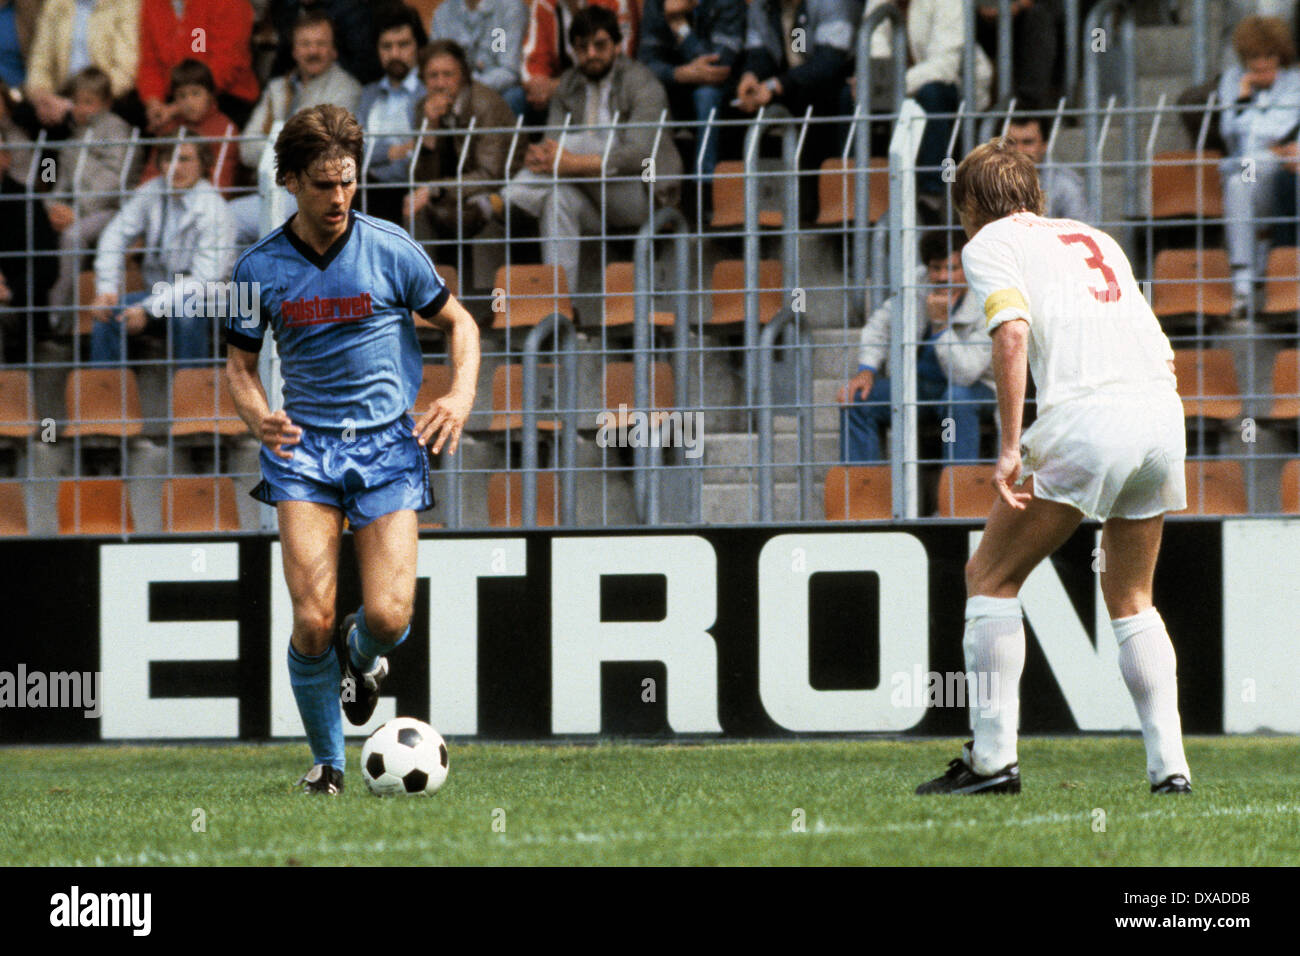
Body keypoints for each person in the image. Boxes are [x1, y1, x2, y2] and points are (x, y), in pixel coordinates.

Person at [915, 138, 1192, 796]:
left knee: (988, 575)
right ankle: (1170, 769)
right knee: (1131, 598)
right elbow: (1158, 342)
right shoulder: (1093, 238)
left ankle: (992, 761)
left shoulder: (987, 244)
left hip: (1087, 419)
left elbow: (1009, 334)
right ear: (1032, 193)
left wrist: (1010, 445)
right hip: (1159, 412)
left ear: (970, 206)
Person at [223, 103, 480, 795]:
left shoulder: (391, 248)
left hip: (388, 446)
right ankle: (328, 764)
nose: (337, 197)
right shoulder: (259, 268)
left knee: (391, 618)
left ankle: (359, 656)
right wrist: (258, 419)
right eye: (321, 184)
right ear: (290, 182)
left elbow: (460, 324)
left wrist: (457, 397)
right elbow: (240, 367)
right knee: (311, 616)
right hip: (304, 452)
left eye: (346, 182)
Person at [502, 6, 682, 292]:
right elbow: (553, 149)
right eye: (582, 48)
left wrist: (573, 163)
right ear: (573, 50)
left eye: (600, 45)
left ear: (617, 45)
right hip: (593, 198)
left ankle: (506, 199)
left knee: (583, 140)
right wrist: (541, 157)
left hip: (643, 193)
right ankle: (563, 309)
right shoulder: (568, 86)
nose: (591, 54)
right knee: (557, 199)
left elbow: (639, 154)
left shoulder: (642, 81)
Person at [838, 230, 994, 464]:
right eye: (936, 268)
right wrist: (866, 369)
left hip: (974, 387)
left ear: (968, 268)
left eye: (952, 268)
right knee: (857, 400)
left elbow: (965, 375)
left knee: (956, 399)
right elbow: (880, 324)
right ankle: (865, 491)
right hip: (919, 386)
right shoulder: (917, 284)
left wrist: (941, 327)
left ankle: (955, 491)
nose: (943, 277)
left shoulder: (986, 298)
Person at [89, 139, 235, 365]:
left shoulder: (215, 208)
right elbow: (114, 235)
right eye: (169, 159)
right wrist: (106, 288)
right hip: (157, 295)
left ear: (203, 163)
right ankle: (109, 397)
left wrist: (148, 309)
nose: (176, 167)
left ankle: (192, 396)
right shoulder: (151, 191)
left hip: (212, 302)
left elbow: (205, 280)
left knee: (188, 311)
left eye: (184, 159)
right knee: (108, 314)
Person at [234, 9, 362, 245]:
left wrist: (274, 140)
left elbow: (321, 153)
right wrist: (292, 147)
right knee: (226, 218)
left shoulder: (346, 89)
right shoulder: (277, 88)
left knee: (259, 221)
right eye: (305, 44)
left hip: (316, 192)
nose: (313, 51)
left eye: (320, 44)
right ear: (294, 51)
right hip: (269, 190)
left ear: (333, 51)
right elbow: (246, 150)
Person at [863, 0, 993, 217]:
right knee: (849, 97)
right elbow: (874, 51)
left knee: (931, 95)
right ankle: (855, 191)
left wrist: (891, 84)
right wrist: (874, 82)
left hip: (956, 88)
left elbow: (944, 66)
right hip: (900, 89)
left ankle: (932, 191)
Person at [1215, 15, 1300, 317]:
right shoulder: (1232, 80)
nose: (1261, 64)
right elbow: (1228, 131)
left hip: (1280, 168)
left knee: (1246, 176)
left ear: (1280, 55)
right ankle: (1243, 284)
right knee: (1239, 183)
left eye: (1268, 56)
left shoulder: (1294, 81)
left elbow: (1276, 129)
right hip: (1246, 166)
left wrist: (1247, 114)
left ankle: (1265, 281)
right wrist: (1244, 96)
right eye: (1254, 57)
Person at [44, 66, 136, 337]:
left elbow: (115, 182)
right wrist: (52, 208)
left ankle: (56, 318)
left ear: (106, 102)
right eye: (76, 102)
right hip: (75, 211)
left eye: (89, 102)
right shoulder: (71, 139)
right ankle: (38, 313)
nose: (81, 109)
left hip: (111, 210)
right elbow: (57, 183)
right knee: (40, 228)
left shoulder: (119, 131)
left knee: (73, 236)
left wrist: (78, 210)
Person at [402, 41, 521, 244]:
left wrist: (434, 189)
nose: (440, 83)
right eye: (433, 76)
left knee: (477, 209)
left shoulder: (486, 106)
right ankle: (420, 276)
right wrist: (430, 127)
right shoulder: (424, 107)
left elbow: (491, 176)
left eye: (448, 75)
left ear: (463, 76)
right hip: (455, 190)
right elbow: (422, 178)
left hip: (498, 192)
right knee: (415, 206)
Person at [638, 0, 744, 178]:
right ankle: (655, 184)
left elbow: (718, 66)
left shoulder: (726, 3)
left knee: (706, 94)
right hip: (675, 83)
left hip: (726, 91)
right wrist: (679, 73)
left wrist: (680, 26)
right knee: (648, 92)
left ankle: (705, 183)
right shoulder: (656, 4)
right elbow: (646, 63)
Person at [137, 0, 260, 134]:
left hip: (225, 95)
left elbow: (227, 63)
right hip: (174, 96)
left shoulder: (229, 3)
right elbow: (150, 63)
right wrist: (154, 105)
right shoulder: (152, 4)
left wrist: (179, 106)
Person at [356, 4, 427, 223]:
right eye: (386, 46)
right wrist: (392, 151)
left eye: (403, 45)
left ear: (417, 47)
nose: (395, 54)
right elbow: (355, 148)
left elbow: (420, 156)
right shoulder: (368, 94)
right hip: (365, 185)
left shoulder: (427, 92)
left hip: (406, 189)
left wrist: (375, 158)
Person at [521, 0, 639, 123]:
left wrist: (561, 86)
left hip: (612, 86)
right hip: (560, 96)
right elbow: (533, 64)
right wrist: (539, 86)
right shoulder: (544, 4)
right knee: (522, 98)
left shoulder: (616, 3)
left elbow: (620, 60)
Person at [139, 59, 239, 193]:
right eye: (182, 96)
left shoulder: (225, 129)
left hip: (206, 202)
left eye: (195, 93)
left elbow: (219, 182)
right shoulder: (169, 126)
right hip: (166, 200)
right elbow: (152, 173)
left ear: (210, 94)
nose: (189, 102)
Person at [430, 0, 529, 116]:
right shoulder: (443, 12)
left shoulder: (510, 8)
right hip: (451, 88)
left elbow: (509, 71)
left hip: (497, 90)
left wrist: (466, 90)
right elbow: (433, 62)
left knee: (514, 96)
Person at [1003, 110, 1088, 222]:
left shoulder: (1065, 185)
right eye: (1011, 142)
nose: (1019, 150)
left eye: (1027, 142)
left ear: (1045, 145)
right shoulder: (988, 181)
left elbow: (1081, 232)